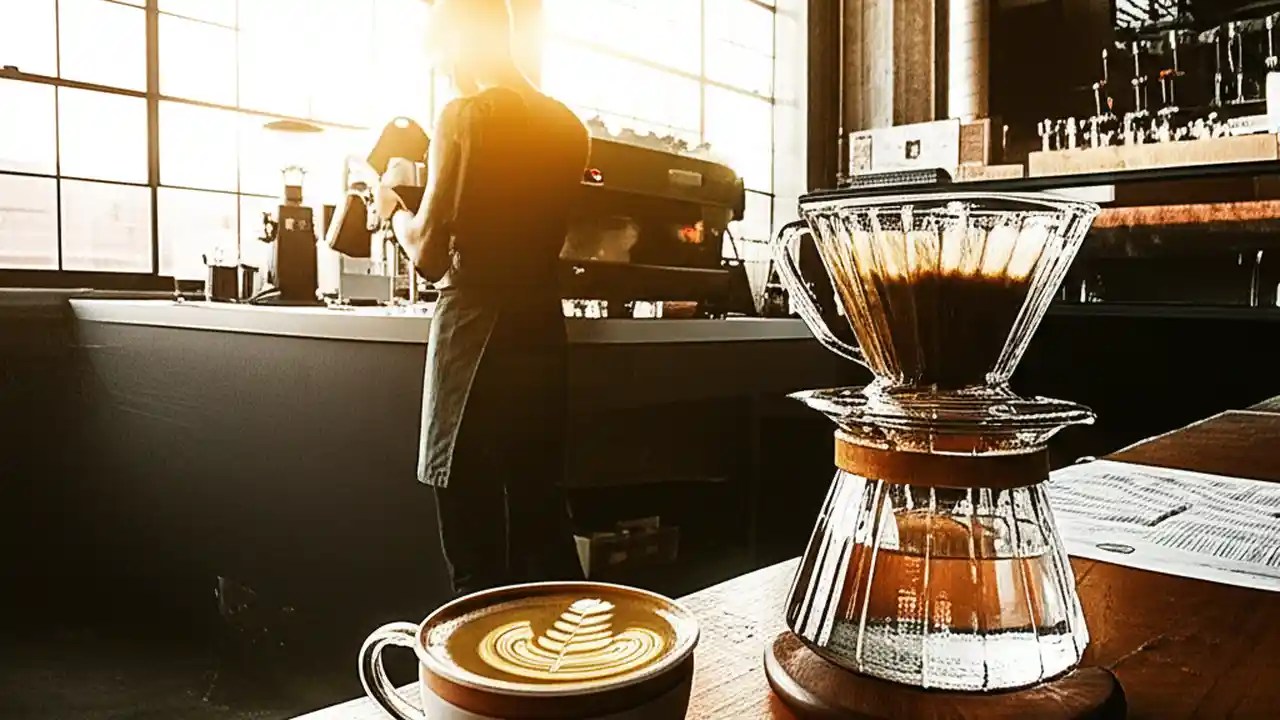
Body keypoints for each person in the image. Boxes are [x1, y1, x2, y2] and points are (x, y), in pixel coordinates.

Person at [377, 0, 589, 597]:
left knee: (473, 537)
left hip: (474, 333)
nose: (444, 69)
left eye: (442, 52)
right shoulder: (568, 126)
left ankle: (479, 681)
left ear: (466, 38)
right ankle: (560, 674)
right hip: (542, 331)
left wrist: (394, 208)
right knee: (540, 517)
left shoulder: (465, 115)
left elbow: (427, 252)